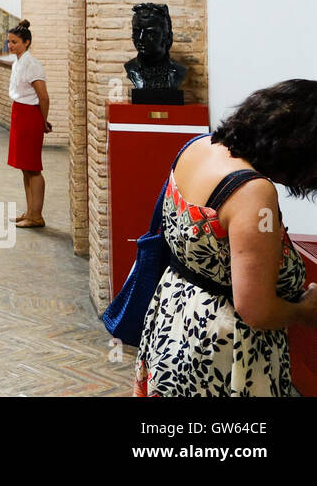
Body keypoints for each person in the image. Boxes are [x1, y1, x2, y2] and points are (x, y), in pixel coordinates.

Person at [136, 80, 317, 396]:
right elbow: (256, 310)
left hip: (174, 324)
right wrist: (305, 311)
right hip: (224, 352)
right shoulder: (253, 193)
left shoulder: (200, 147)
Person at [5, 20, 50, 228]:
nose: (10, 46)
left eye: (14, 42)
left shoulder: (32, 64)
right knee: (24, 167)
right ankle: (30, 210)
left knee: (33, 168)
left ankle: (37, 215)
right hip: (19, 114)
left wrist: (42, 121)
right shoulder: (18, 62)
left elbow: (43, 97)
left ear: (26, 42)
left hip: (30, 116)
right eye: (9, 42)